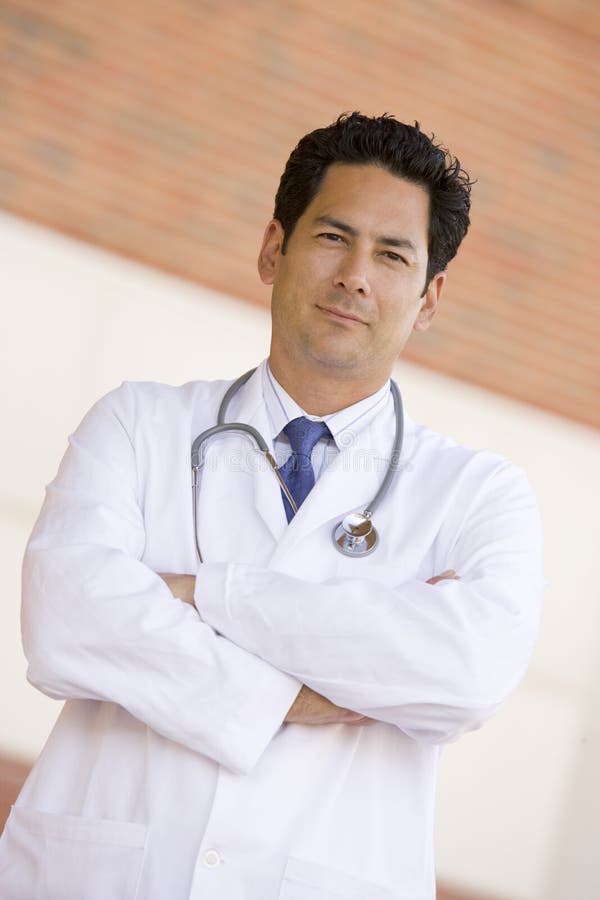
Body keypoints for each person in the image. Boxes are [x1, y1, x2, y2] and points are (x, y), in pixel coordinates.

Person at [0, 112, 543, 900]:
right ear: (272, 249)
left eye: (393, 255)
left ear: (428, 300)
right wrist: (300, 693)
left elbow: (469, 670)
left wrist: (203, 592)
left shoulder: (477, 494)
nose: (356, 275)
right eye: (333, 237)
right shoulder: (139, 424)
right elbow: (65, 620)